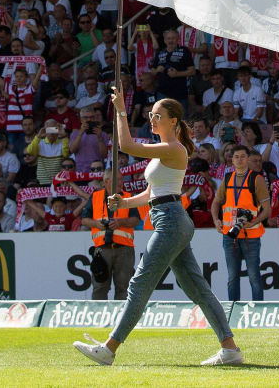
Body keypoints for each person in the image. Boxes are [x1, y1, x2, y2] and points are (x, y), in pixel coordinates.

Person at [74, 94, 242, 366]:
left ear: (173, 120)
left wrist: (120, 111)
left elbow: (126, 144)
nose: (152, 119)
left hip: (171, 222)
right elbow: (152, 193)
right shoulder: (165, 148)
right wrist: (124, 202)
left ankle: (109, 348)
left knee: (139, 284)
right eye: (151, 114)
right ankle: (230, 349)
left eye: (157, 115)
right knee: (197, 289)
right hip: (170, 219)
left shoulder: (173, 148)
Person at [68, 162, 139, 300]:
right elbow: (84, 219)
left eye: (121, 179)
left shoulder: (128, 196)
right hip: (102, 249)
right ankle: (98, 320)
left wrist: (120, 222)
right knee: (100, 287)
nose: (120, 182)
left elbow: (136, 220)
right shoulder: (95, 197)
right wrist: (95, 223)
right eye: (117, 179)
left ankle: (122, 320)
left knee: (123, 289)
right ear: (106, 181)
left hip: (124, 249)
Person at [211, 144, 270, 302]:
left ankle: (258, 311)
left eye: (243, 156)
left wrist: (253, 222)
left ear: (248, 159)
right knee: (232, 277)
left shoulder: (257, 179)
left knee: (254, 276)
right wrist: (216, 220)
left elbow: (267, 209)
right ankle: (233, 311)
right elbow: (216, 202)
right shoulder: (228, 178)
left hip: (251, 234)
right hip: (230, 234)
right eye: (236, 157)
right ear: (232, 160)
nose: (239, 160)